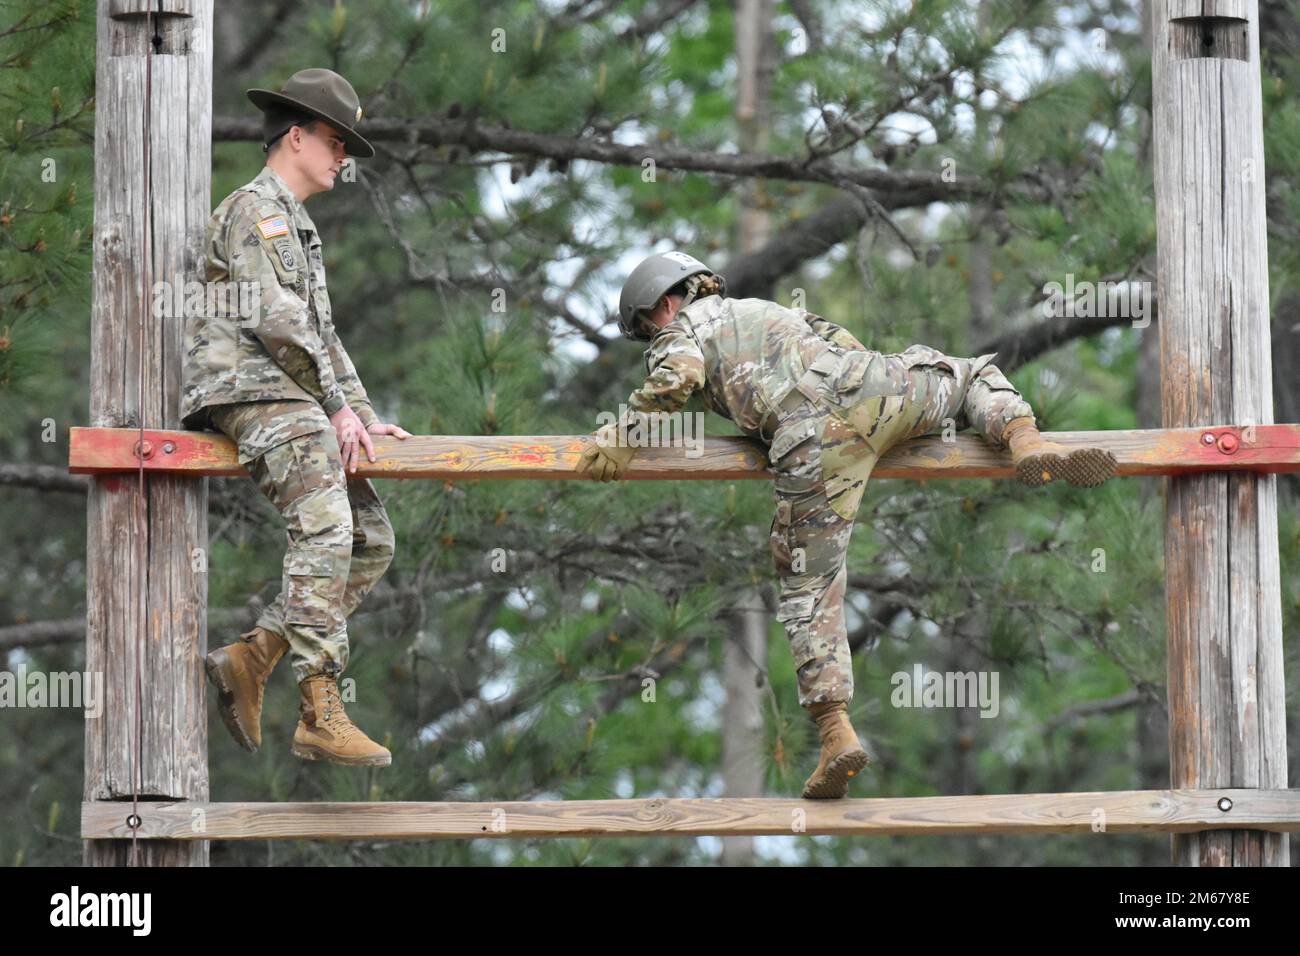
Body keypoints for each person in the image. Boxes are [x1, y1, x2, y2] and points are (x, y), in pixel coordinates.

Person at [578, 251, 1117, 798]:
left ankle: (836, 734)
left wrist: (620, 438)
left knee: (808, 588)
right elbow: (846, 346)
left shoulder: (686, 327)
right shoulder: (775, 310)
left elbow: (681, 375)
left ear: (666, 304)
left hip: (808, 438)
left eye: (647, 328)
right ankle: (1026, 440)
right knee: (970, 372)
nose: (652, 337)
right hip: (869, 388)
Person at [182, 68, 410, 767]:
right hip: (249, 390)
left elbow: (325, 338)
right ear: (296, 136)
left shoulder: (295, 224)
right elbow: (280, 324)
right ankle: (320, 705)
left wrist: (362, 416)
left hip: (292, 395)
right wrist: (336, 410)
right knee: (328, 524)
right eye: (337, 142)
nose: (344, 158)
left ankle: (255, 657)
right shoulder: (257, 210)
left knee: (369, 538)